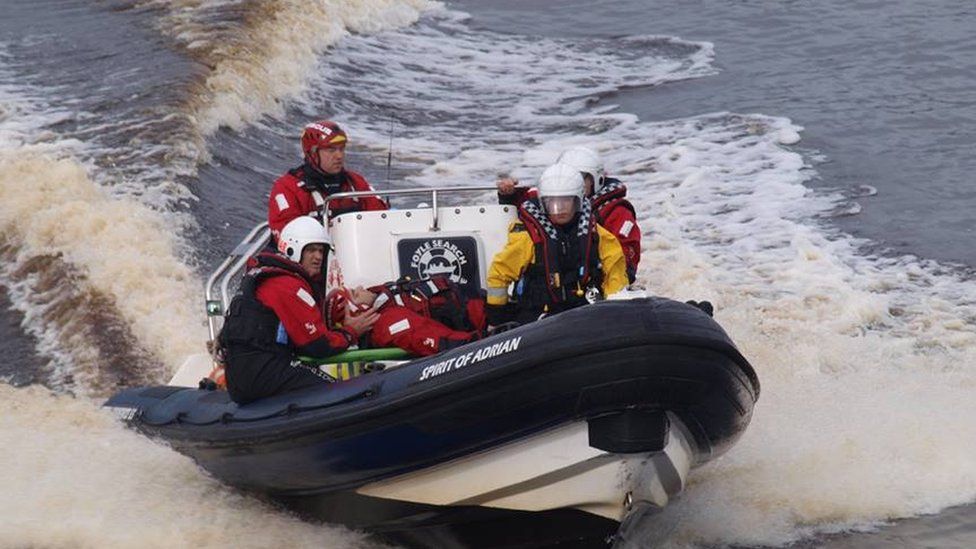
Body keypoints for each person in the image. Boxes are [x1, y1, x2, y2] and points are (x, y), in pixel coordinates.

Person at [218, 216, 378, 404]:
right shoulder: (288, 286)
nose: (318, 257)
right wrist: (351, 332)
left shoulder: (265, 277)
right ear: (292, 250)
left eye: (321, 250)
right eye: (311, 250)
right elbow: (319, 345)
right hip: (264, 372)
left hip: (244, 375)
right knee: (339, 394)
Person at [486, 163, 629, 326]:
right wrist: (496, 316)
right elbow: (500, 272)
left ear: (579, 200)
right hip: (538, 316)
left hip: (585, 311)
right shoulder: (528, 238)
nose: (559, 209)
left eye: (566, 202)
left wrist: (615, 312)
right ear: (542, 203)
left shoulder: (599, 236)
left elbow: (615, 274)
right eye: (552, 203)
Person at [497, 146, 642, 283]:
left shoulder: (617, 212)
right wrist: (509, 195)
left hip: (594, 285)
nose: (572, 181)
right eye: (567, 175)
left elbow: (625, 263)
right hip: (555, 283)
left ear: (596, 179)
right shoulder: (545, 198)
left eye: (581, 177)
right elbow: (523, 210)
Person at [267, 120, 388, 240]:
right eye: (331, 150)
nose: (339, 156)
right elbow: (287, 237)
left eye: (341, 149)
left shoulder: (356, 183)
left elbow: (382, 219)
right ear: (313, 153)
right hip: (314, 257)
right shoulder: (288, 187)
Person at [327, 274, 486, 357]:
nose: (361, 287)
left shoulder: (384, 304)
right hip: (481, 317)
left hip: (474, 301)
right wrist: (484, 341)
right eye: (355, 293)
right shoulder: (388, 324)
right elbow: (438, 340)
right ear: (359, 311)